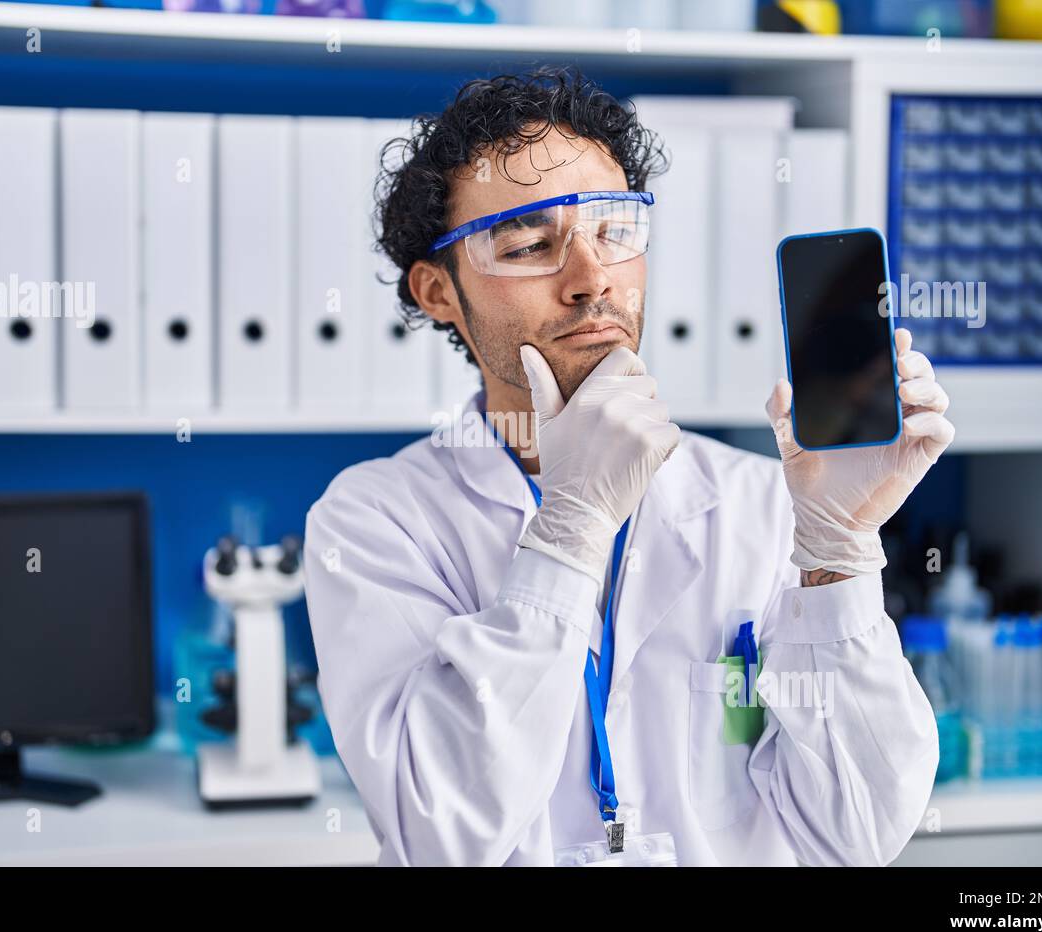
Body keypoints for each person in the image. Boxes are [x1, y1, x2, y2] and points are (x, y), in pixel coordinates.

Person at [303, 68, 955, 866]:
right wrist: (568, 535)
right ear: (440, 291)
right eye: (529, 245)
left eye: (613, 230)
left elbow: (856, 833)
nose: (591, 279)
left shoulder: (761, 507)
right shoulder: (376, 522)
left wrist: (837, 554)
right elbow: (437, 832)